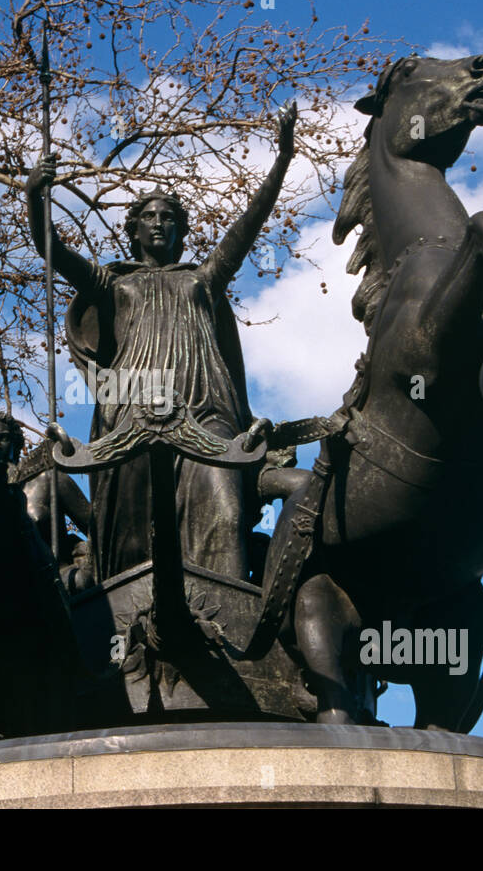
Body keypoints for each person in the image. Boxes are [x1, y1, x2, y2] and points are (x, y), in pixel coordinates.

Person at [25, 101, 297, 582]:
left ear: (181, 230)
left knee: (226, 513)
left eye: (169, 218)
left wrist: (282, 160)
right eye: (149, 216)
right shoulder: (114, 283)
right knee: (133, 531)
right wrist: (34, 195)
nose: (159, 223)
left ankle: (225, 605)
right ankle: (129, 619)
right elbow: (52, 250)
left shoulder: (203, 280)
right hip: (132, 409)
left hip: (206, 407)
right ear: (133, 230)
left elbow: (247, 228)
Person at [0, 410, 94, 593]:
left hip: (58, 581)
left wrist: (86, 565)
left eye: (4, 438)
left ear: (15, 444)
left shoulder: (50, 481)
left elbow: (99, 530)